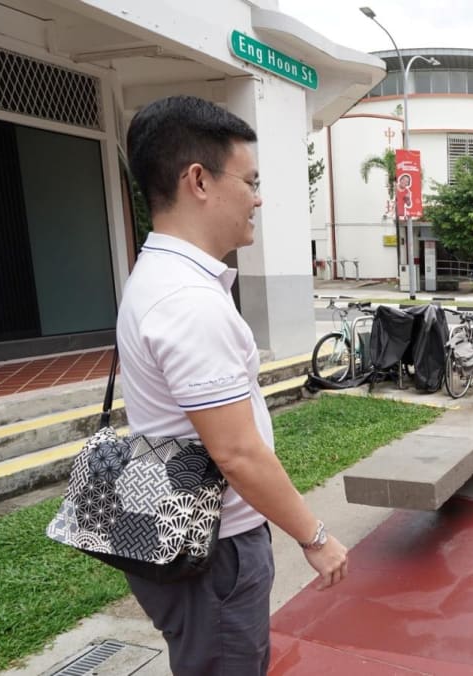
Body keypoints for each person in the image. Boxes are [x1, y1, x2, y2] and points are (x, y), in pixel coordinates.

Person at [118, 95, 349, 674]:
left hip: (184, 533)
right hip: (214, 552)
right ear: (198, 180)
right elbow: (238, 453)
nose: (259, 197)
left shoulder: (158, 276)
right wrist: (314, 536)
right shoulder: (190, 301)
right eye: (250, 180)